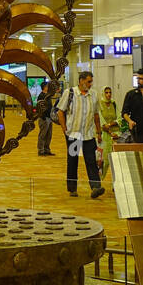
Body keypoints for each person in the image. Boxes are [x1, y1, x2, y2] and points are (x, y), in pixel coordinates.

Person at [57, 70, 104, 199]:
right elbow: (60, 112)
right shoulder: (70, 93)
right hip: (74, 135)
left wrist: (98, 132)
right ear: (81, 80)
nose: (90, 84)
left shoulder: (93, 95)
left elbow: (96, 115)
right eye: (88, 81)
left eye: (91, 82)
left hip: (89, 135)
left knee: (91, 161)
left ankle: (96, 187)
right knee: (73, 161)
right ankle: (72, 188)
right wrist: (64, 128)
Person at [98, 86, 119, 175]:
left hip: (116, 135)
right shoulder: (99, 105)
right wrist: (110, 132)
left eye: (110, 92)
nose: (108, 95)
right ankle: (100, 179)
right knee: (104, 160)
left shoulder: (114, 103)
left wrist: (111, 125)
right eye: (106, 93)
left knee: (116, 160)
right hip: (105, 136)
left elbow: (119, 117)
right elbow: (101, 122)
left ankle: (115, 184)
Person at [36, 80, 56, 156]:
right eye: (47, 86)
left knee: (49, 135)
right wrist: (43, 117)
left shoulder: (48, 95)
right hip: (44, 118)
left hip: (49, 118)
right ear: (44, 87)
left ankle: (47, 149)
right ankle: (41, 150)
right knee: (42, 135)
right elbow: (39, 107)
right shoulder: (41, 96)